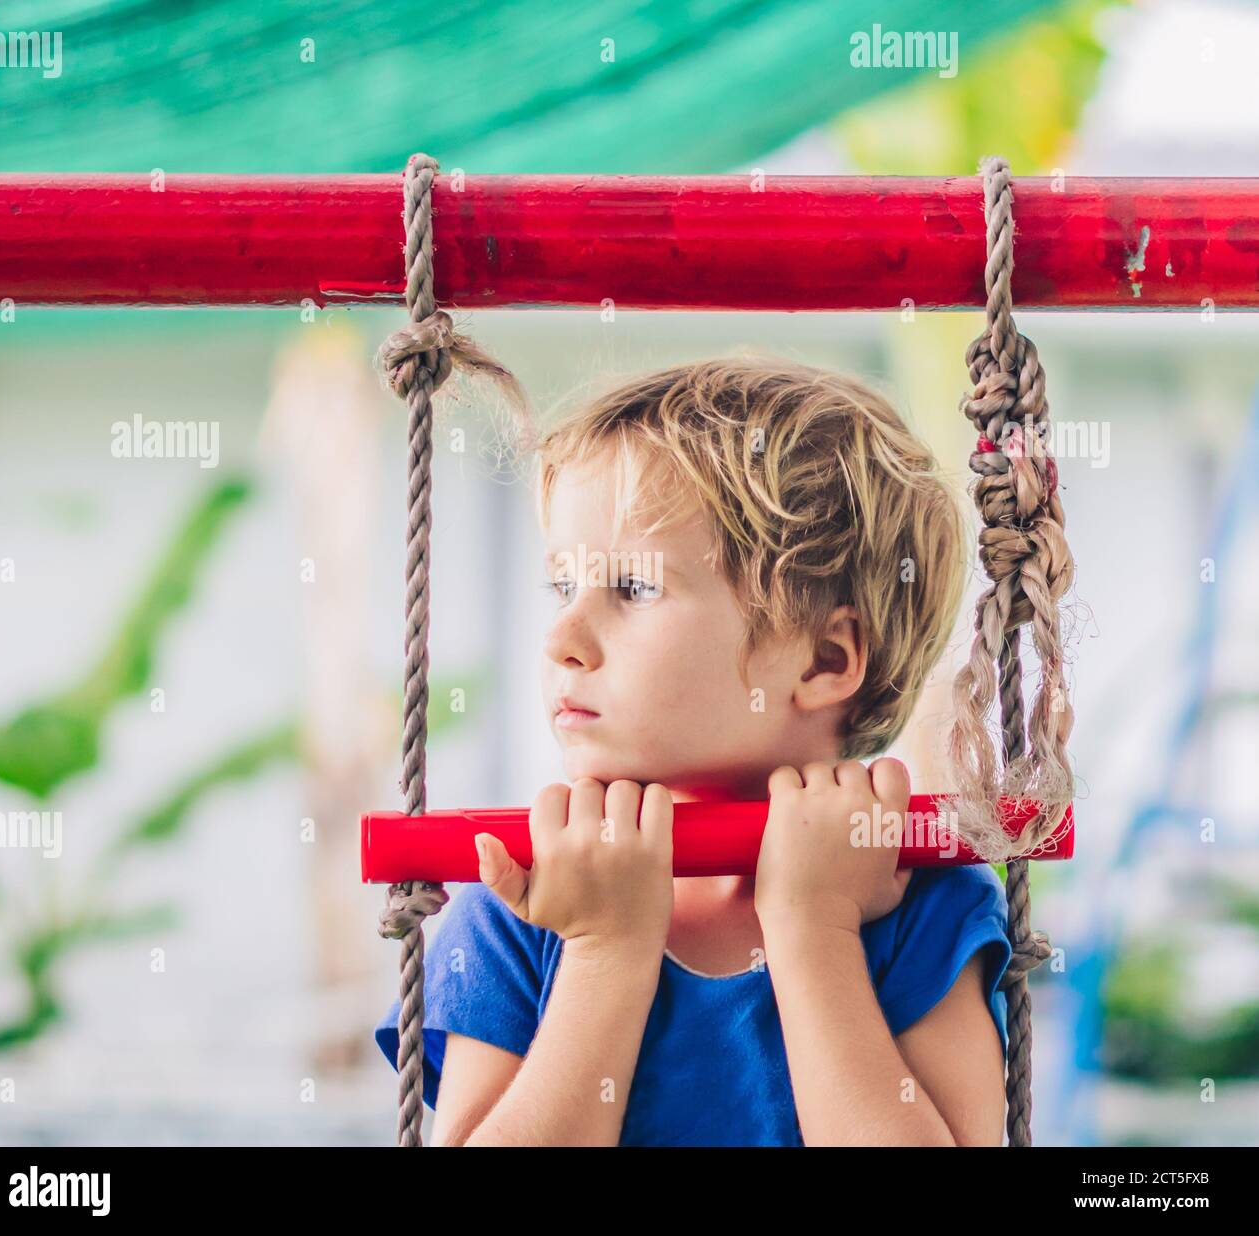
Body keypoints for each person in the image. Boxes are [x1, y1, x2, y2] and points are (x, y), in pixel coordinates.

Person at [375, 356, 1012, 1146]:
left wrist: (817, 929)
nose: (563, 640)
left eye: (634, 589)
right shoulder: (522, 902)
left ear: (822, 661)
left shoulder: (921, 905)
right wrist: (604, 951)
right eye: (562, 587)